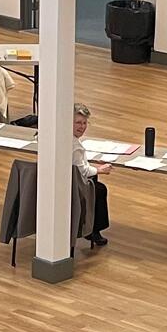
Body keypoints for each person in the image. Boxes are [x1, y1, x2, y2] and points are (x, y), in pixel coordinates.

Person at [72, 102, 111, 249]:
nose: (82, 126)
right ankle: (93, 230)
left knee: (94, 182)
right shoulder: (75, 146)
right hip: (74, 187)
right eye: (78, 123)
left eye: (84, 123)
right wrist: (100, 169)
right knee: (99, 189)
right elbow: (82, 171)